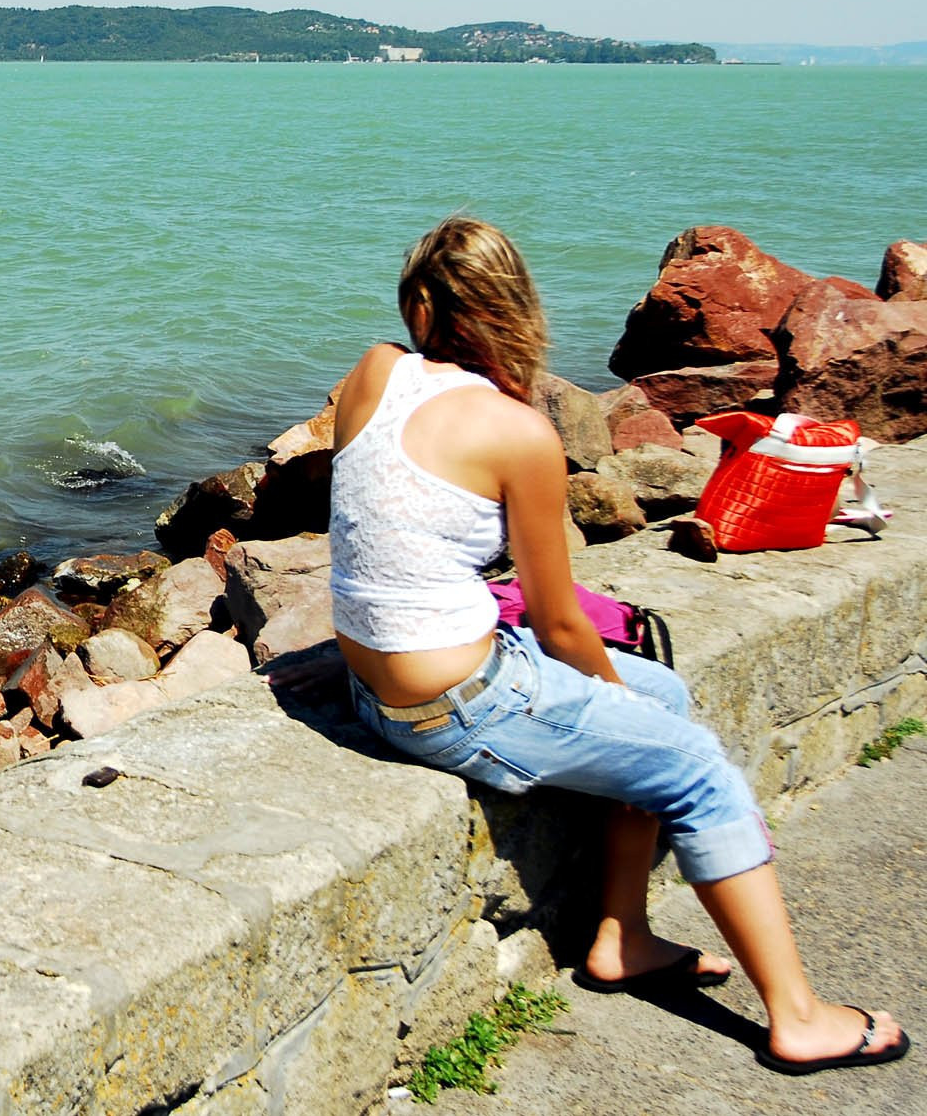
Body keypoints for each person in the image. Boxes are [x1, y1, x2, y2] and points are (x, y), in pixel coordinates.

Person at [315, 215, 907, 1077]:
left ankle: (620, 936)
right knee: (698, 766)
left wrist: (626, 697)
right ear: (516, 307)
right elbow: (559, 624)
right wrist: (610, 694)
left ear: (419, 304)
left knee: (662, 697)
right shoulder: (518, 432)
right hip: (458, 702)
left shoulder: (372, 373)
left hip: (375, 681)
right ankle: (799, 1016)